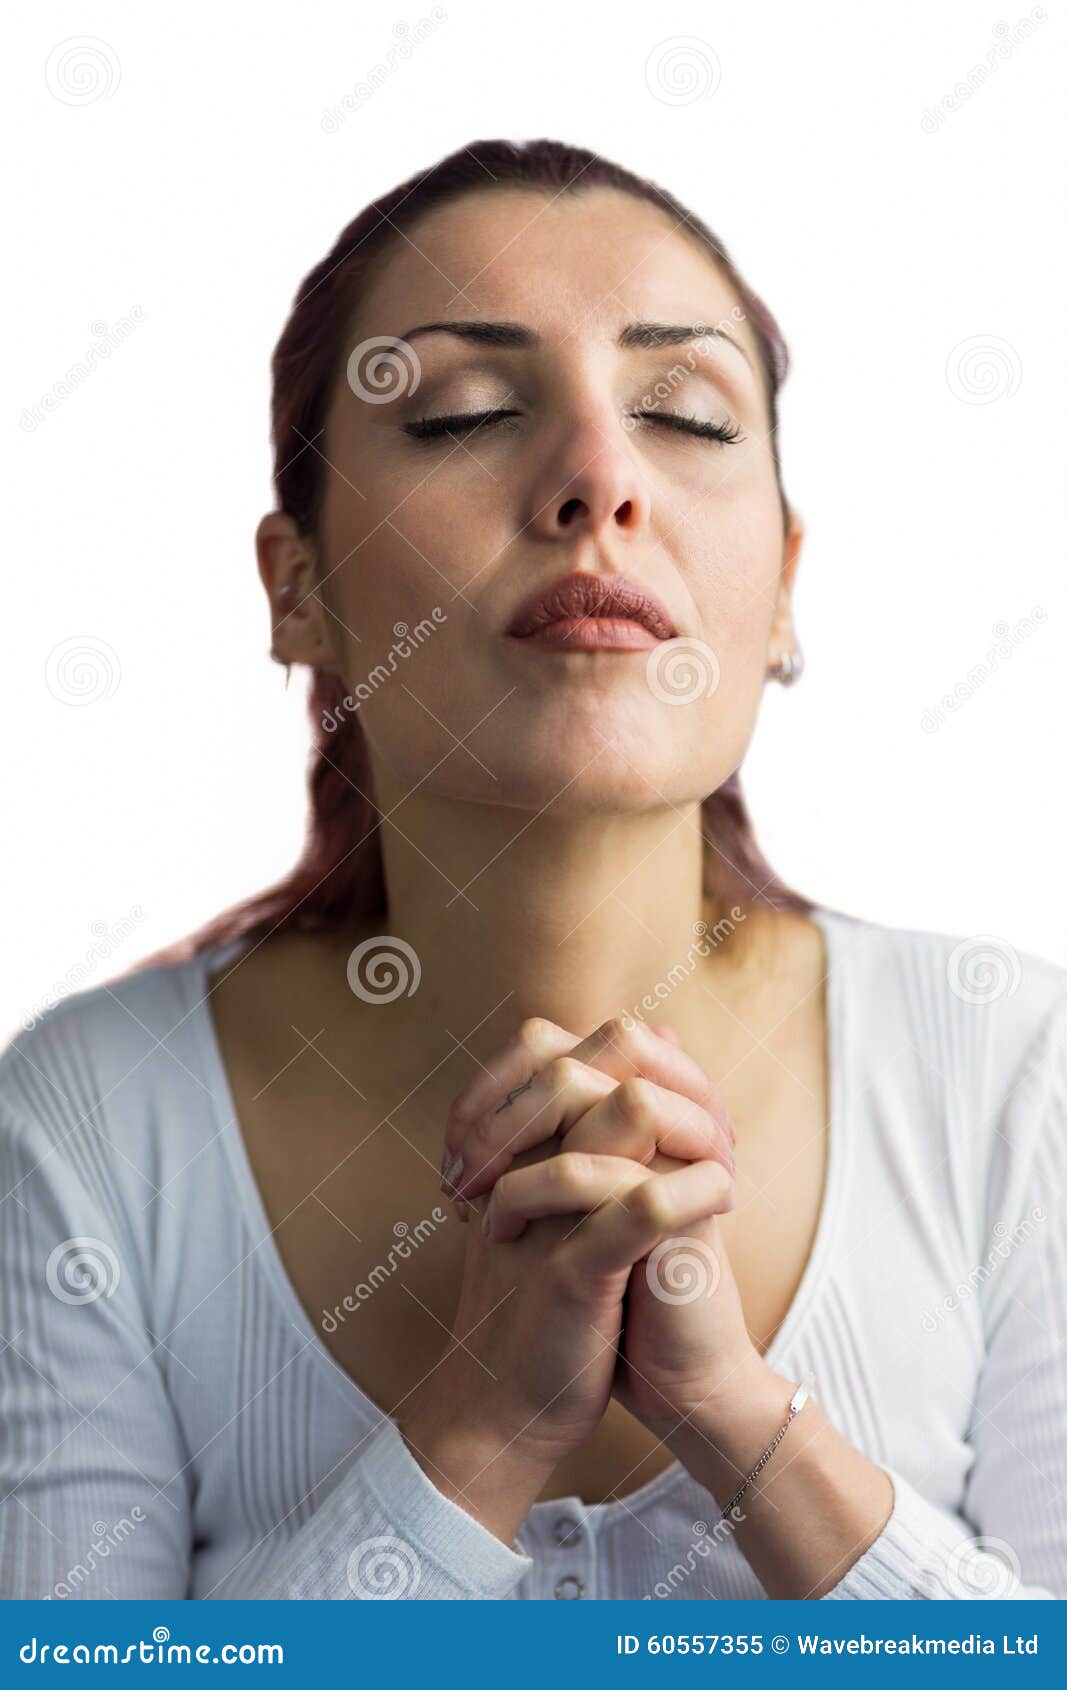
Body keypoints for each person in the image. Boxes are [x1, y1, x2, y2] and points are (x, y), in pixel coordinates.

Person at [1, 138, 1064, 1603]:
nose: (600, 480)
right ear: (299, 588)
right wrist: (478, 1431)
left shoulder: (1013, 1068)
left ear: (782, 590)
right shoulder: (89, 1120)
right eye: (464, 413)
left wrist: (741, 1421)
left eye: (684, 414)